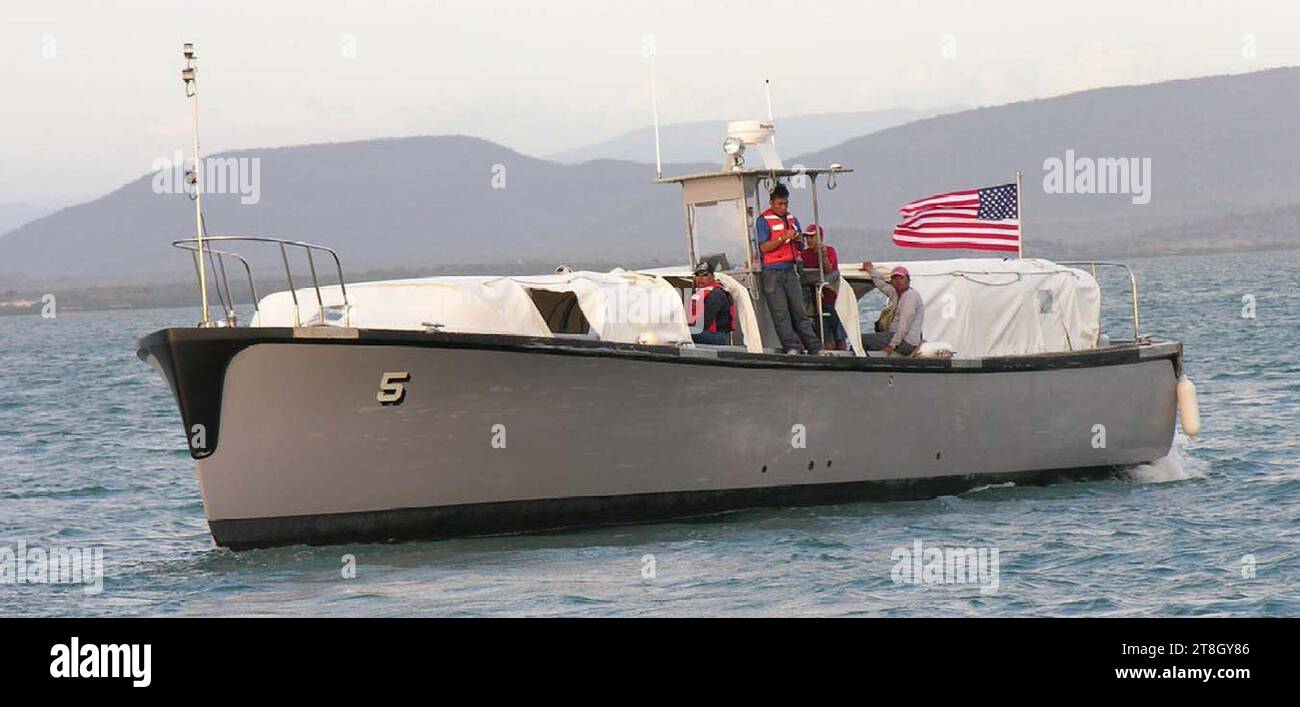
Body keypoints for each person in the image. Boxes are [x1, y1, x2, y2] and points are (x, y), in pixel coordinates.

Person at [756, 183, 824, 355]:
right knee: (781, 313)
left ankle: (814, 347)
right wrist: (781, 238)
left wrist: (797, 238)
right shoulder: (763, 221)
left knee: (799, 310)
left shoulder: (792, 219)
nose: (783, 207)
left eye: (786, 203)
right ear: (772, 203)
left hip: (790, 269)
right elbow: (763, 247)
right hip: (772, 271)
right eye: (780, 204)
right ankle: (792, 347)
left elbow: (800, 245)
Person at [799, 224, 848, 350]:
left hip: (833, 299)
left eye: (812, 237)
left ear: (819, 237)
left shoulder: (829, 250)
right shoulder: (804, 254)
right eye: (807, 237)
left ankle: (843, 353)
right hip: (817, 300)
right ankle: (828, 352)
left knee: (839, 332)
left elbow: (829, 269)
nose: (808, 240)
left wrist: (824, 255)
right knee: (825, 333)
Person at [861, 263, 924, 356]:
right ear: (891, 281)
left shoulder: (910, 296)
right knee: (866, 338)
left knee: (861, 340)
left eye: (901, 278)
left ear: (908, 280)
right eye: (895, 279)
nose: (898, 281)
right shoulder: (895, 292)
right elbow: (881, 285)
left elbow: (904, 325)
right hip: (895, 336)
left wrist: (892, 345)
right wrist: (871, 270)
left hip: (906, 341)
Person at [687, 261, 736, 346]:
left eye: (705, 275)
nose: (700, 278)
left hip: (717, 336)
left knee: (683, 333)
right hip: (702, 331)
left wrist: (685, 328)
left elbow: (705, 321)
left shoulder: (716, 294)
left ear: (712, 277)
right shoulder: (698, 292)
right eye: (697, 275)